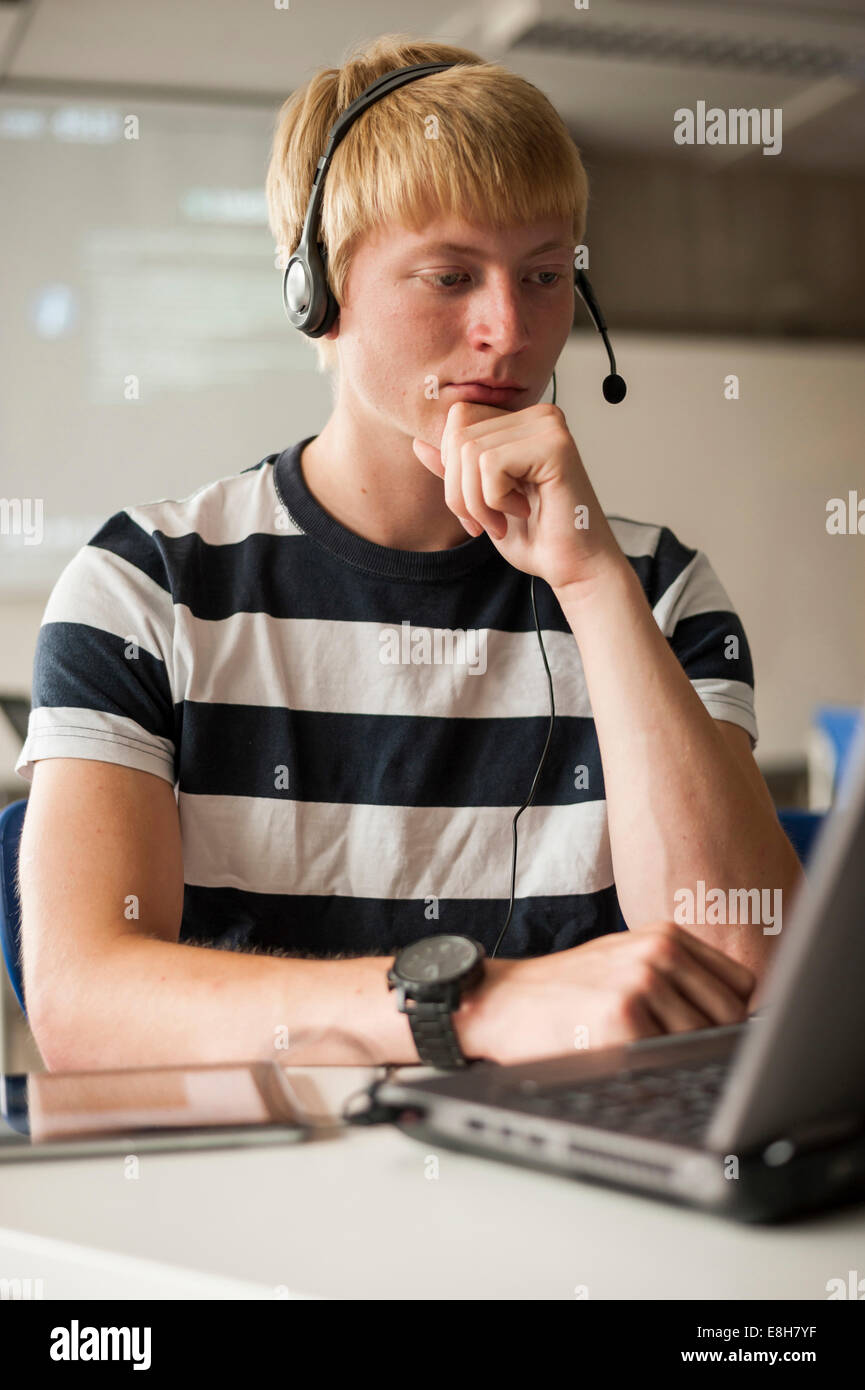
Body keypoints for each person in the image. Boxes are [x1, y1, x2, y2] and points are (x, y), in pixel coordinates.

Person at [16, 34, 803, 1071]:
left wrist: (589, 582)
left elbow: (752, 977)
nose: (507, 330)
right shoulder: (143, 589)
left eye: (541, 275)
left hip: (580, 1192)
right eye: (448, 275)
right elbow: (82, 1005)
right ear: (317, 294)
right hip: (256, 1202)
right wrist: (474, 1005)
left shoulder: (658, 590)